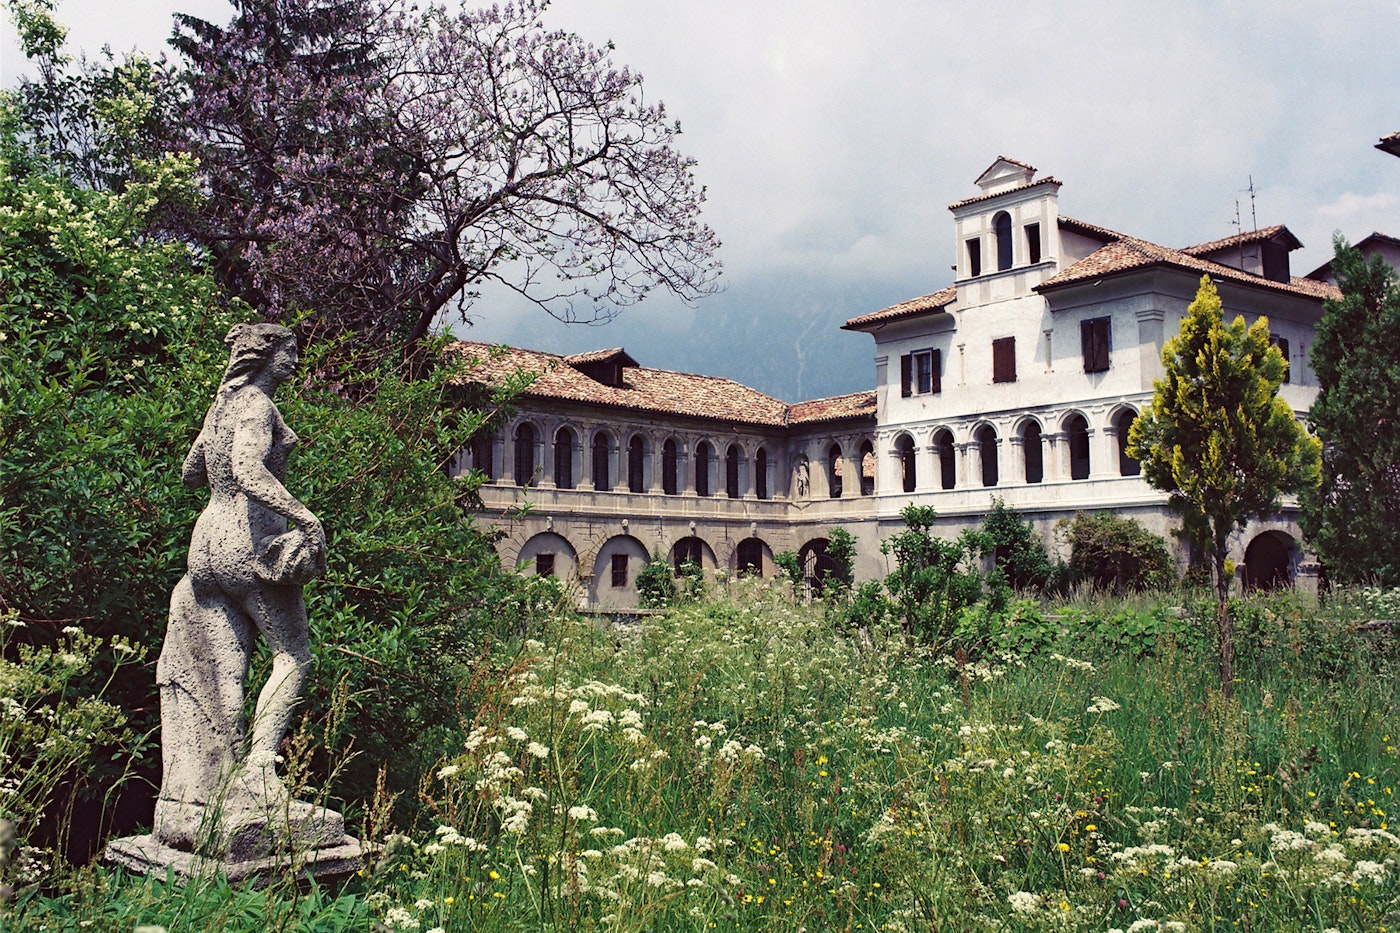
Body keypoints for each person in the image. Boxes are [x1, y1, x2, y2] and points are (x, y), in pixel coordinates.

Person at [153, 323, 325, 850]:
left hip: (205, 541)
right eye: (289, 352)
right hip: (248, 539)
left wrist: (216, 424)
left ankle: (206, 786)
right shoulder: (257, 407)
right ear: (265, 355)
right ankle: (258, 771)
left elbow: (189, 474)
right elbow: (248, 470)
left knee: (225, 668)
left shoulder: (222, 407)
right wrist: (305, 517)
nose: (295, 361)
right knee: (293, 654)